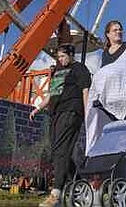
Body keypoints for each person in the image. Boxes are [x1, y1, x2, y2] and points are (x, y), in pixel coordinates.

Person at [30, 43, 91, 207]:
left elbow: (85, 91)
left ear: (71, 55)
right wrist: (37, 108)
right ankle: (81, 188)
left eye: (63, 56)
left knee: (60, 150)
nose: (61, 59)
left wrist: (87, 113)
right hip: (56, 113)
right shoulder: (57, 71)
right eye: (59, 57)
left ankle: (56, 193)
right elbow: (51, 95)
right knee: (61, 151)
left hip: (71, 111)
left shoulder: (79, 69)